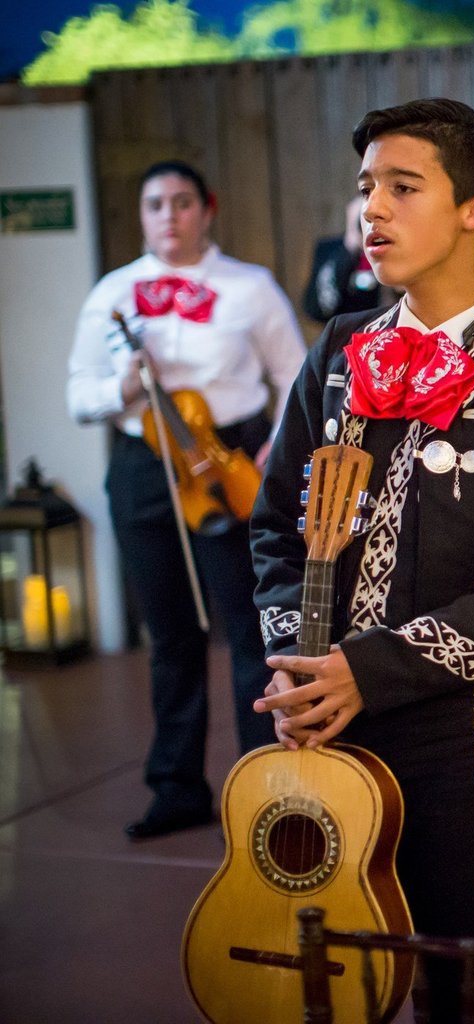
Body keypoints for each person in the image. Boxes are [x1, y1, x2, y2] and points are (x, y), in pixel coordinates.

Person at [249, 98, 474, 1021]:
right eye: (367, 186)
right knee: (305, 973)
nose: (373, 210)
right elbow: (272, 534)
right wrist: (302, 663)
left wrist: (364, 670)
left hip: (452, 739)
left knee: (452, 982)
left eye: (403, 187)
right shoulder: (338, 351)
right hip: (310, 721)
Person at [66, 160, 306, 841]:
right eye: (154, 205)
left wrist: (276, 446)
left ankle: (266, 784)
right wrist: (124, 388)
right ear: (141, 216)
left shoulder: (249, 287)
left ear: (207, 208)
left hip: (229, 459)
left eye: (181, 202)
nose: (168, 216)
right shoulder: (113, 293)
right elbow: (78, 395)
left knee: (247, 629)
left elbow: (294, 374)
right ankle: (176, 788)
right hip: (145, 464)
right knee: (171, 635)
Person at [302, 196, 385, 322]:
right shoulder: (331, 250)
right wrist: (350, 246)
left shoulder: (393, 249)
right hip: (347, 336)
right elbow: (318, 310)